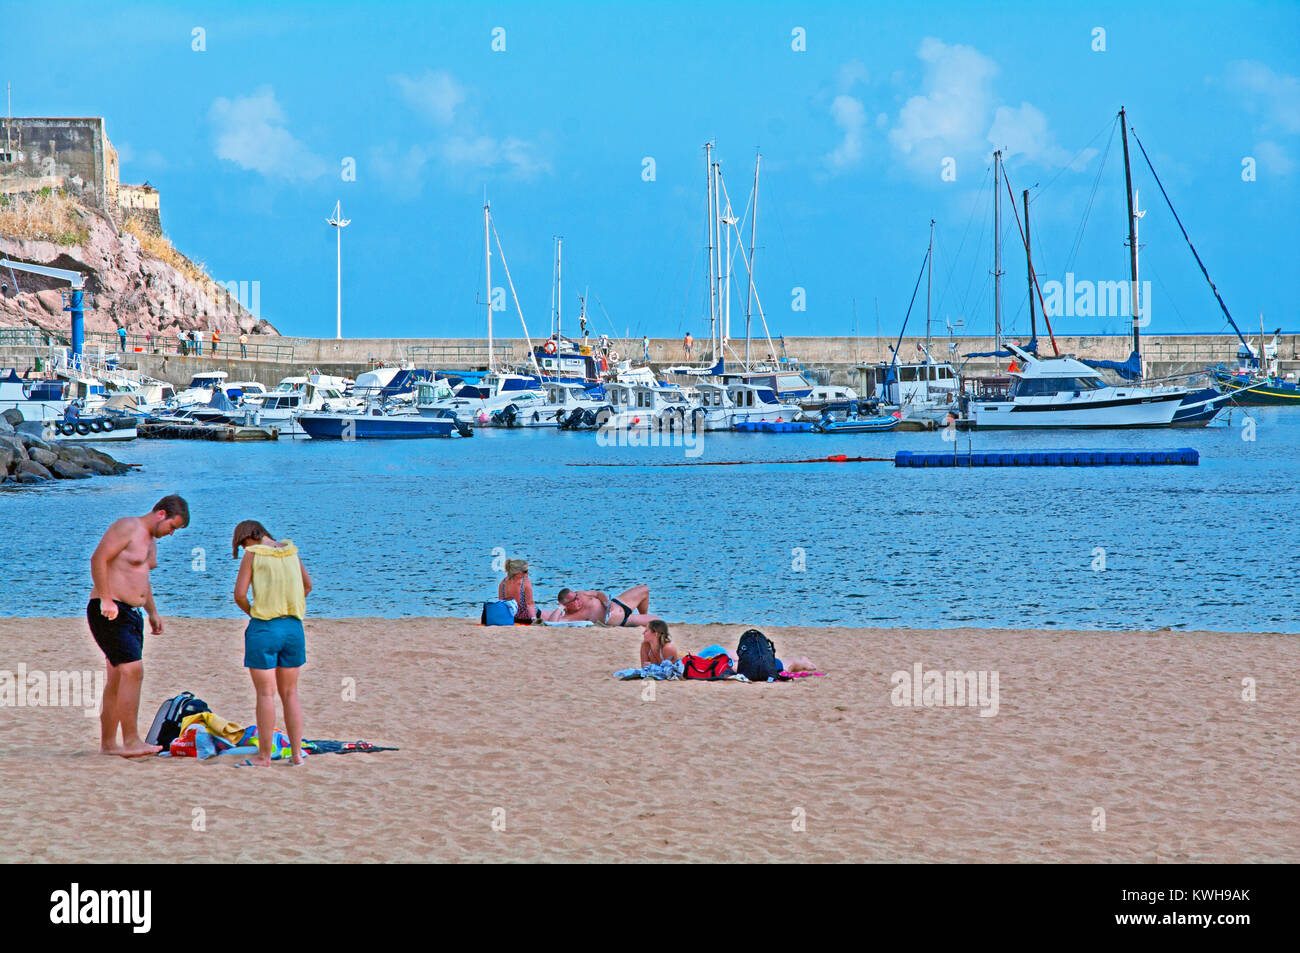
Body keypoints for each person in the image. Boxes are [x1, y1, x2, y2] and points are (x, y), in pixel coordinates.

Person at [87, 494, 190, 756]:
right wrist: (106, 598)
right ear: (161, 514)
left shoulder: (151, 542)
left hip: (133, 614)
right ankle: (131, 741)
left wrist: (152, 612)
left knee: (117, 679)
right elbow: (98, 558)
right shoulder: (128, 527)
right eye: (172, 527)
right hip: (110, 610)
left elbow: (141, 578)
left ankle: (109, 745)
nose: (171, 533)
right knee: (134, 671)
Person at [232, 519, 312, 767]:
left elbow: (239, 595)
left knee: (265, 694)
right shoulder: (290, 550)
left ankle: (264, 756)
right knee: (291, 693)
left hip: (265, 627)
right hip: (293, 628)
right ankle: (296, 754)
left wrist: (255, 611)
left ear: (247, 539)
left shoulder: (253, 554)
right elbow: (307, 586)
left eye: (242, 546)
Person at [552, 584, 659, 628]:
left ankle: (644, 615)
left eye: (576, 596)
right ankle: (643, 620)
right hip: (622, 620)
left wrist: (606, 603)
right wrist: (560, 607)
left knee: (644, 589)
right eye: (574, 599)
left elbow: (598, 594)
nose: (578, 599)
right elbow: (552, 623)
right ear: (566, 605)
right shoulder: (570, 617)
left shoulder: (581, 594)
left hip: (617, 603)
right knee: (657, 622)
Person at [498, 558, 537, 623]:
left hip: (511, 617)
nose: (528, 572)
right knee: (538, 609)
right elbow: (530, 603)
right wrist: (534, 619)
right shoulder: (525, 582)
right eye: (525, 571)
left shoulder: (502, 583)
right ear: (517, 573)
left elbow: (501, 602)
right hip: (524, 618)